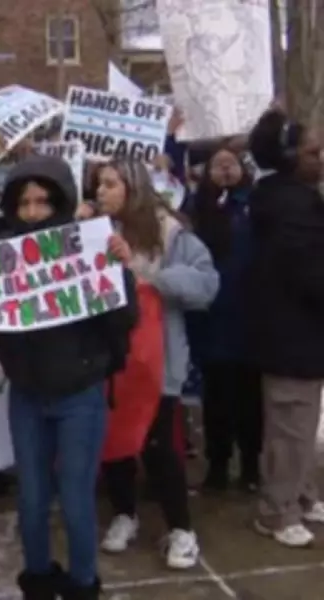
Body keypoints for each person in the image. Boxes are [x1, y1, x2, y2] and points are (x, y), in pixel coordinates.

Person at [0, 155, 138, 600]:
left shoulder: (91, 245)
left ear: (62, 202)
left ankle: (82, 583)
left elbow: (123, 319)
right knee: (32, 499)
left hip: (79, 394)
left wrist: (121, 271)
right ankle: (37, 579)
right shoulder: (0, 253)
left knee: (76, 501)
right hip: (28, 394)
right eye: (24, 203)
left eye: (43, 201)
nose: (33, 212)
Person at [96, 159, 218, 569]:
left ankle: (181, 529)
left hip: (157, 360)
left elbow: (205, 284)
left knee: (160, 445)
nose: (101, 192)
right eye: (99, 184)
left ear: (133, 187)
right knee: (115, 443)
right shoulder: (94, 230)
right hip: (110, 359)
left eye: (111, 184)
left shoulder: (171, 232)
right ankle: (124, 514)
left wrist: (148, 274)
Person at [246, 109, 324, 547]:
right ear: (292, 157)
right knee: (290, 426)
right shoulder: (290, 206)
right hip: (290, 335)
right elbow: (309, 272)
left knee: (303, 421)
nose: (322, 159)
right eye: (314, 152)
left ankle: (302, 494)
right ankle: (277, 511)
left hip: (300, 333)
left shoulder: (293, 198)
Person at [185, 147, 261, 492]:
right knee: (216, 397)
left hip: (248, 316)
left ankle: (250, 466)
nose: (225, 170)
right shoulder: (197, 207)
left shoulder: (254, 205)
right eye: (218, 164)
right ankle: (217, 464)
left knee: (250, 396)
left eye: (231, 163)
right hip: (211, 318)